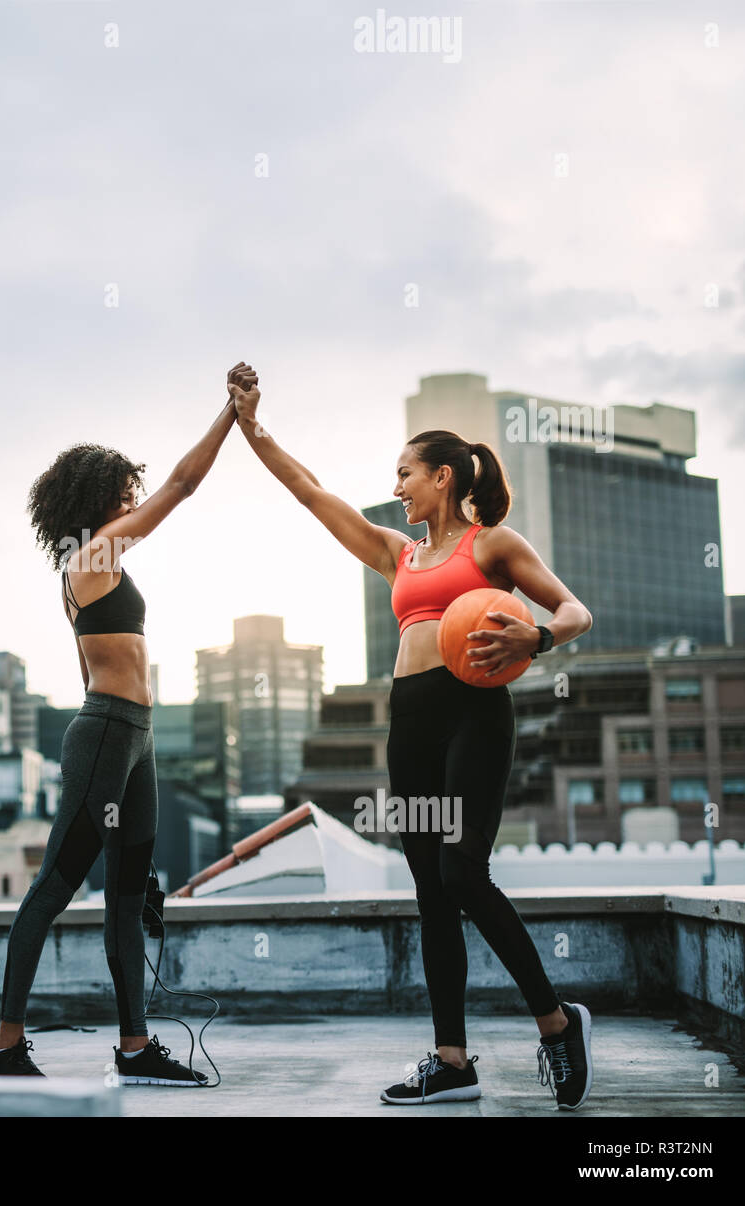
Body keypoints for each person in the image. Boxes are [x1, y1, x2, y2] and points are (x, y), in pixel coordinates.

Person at [230, 367, 596, 1110]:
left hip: (474, 712)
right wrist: (251, 426)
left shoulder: (491, 546)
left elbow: (574, 610)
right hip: (413, 718)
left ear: (442, 476)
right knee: (431, 889)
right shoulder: (397, 554)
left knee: (465, 872)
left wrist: (536, 636)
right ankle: (452, 1062)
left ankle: (557, 1024)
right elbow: (310, 493)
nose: (396, 486)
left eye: (405, 474)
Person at [0, 362, 254, 1085]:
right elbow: (183, 485)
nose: (135, 498)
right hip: (105, 734)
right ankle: (6, 1044)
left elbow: (87, 664)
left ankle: (136, 1048)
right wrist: (230, 414)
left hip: (133, 739)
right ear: (98, 499)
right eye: (123, 490)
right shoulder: (93, 555)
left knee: (131, 899)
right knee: (53, 888)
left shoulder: (92, 566)